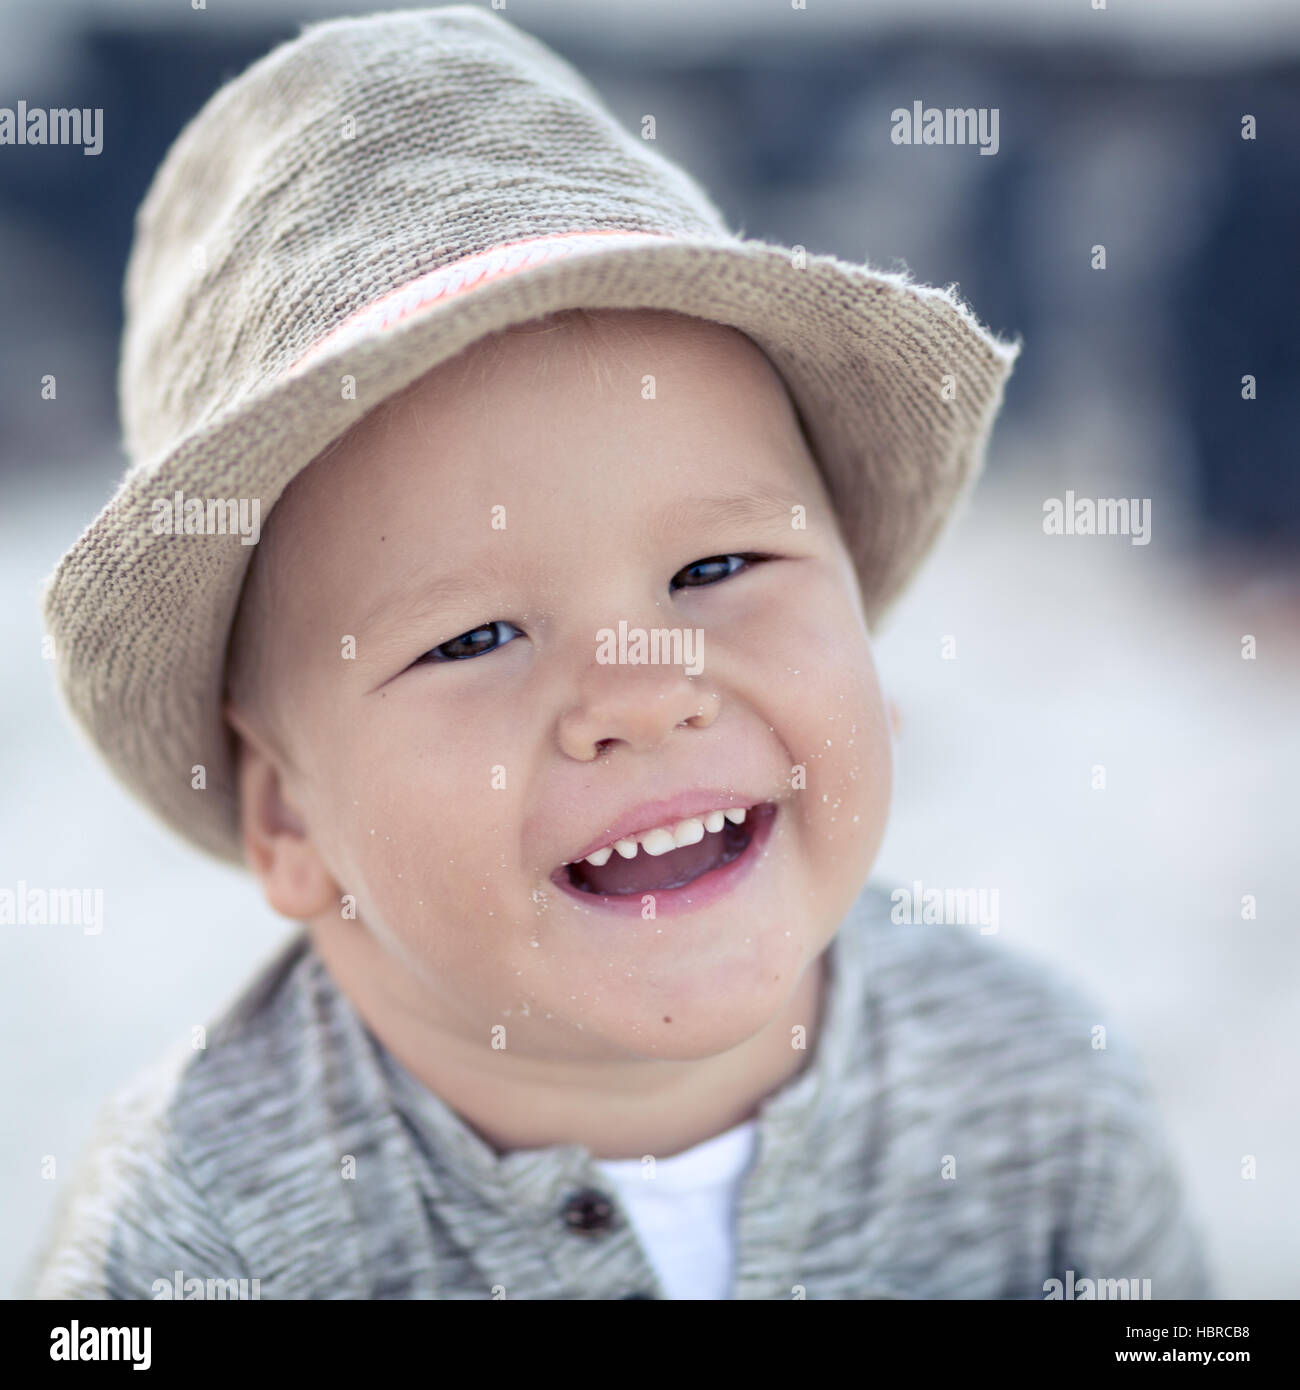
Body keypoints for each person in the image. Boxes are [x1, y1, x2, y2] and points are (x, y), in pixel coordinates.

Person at [30, 6, 1212, 1300]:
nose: (646, 694)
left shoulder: (1038, 1087)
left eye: (715, 570)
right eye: (474, 636)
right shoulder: (198, 1239)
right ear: (284, 812)